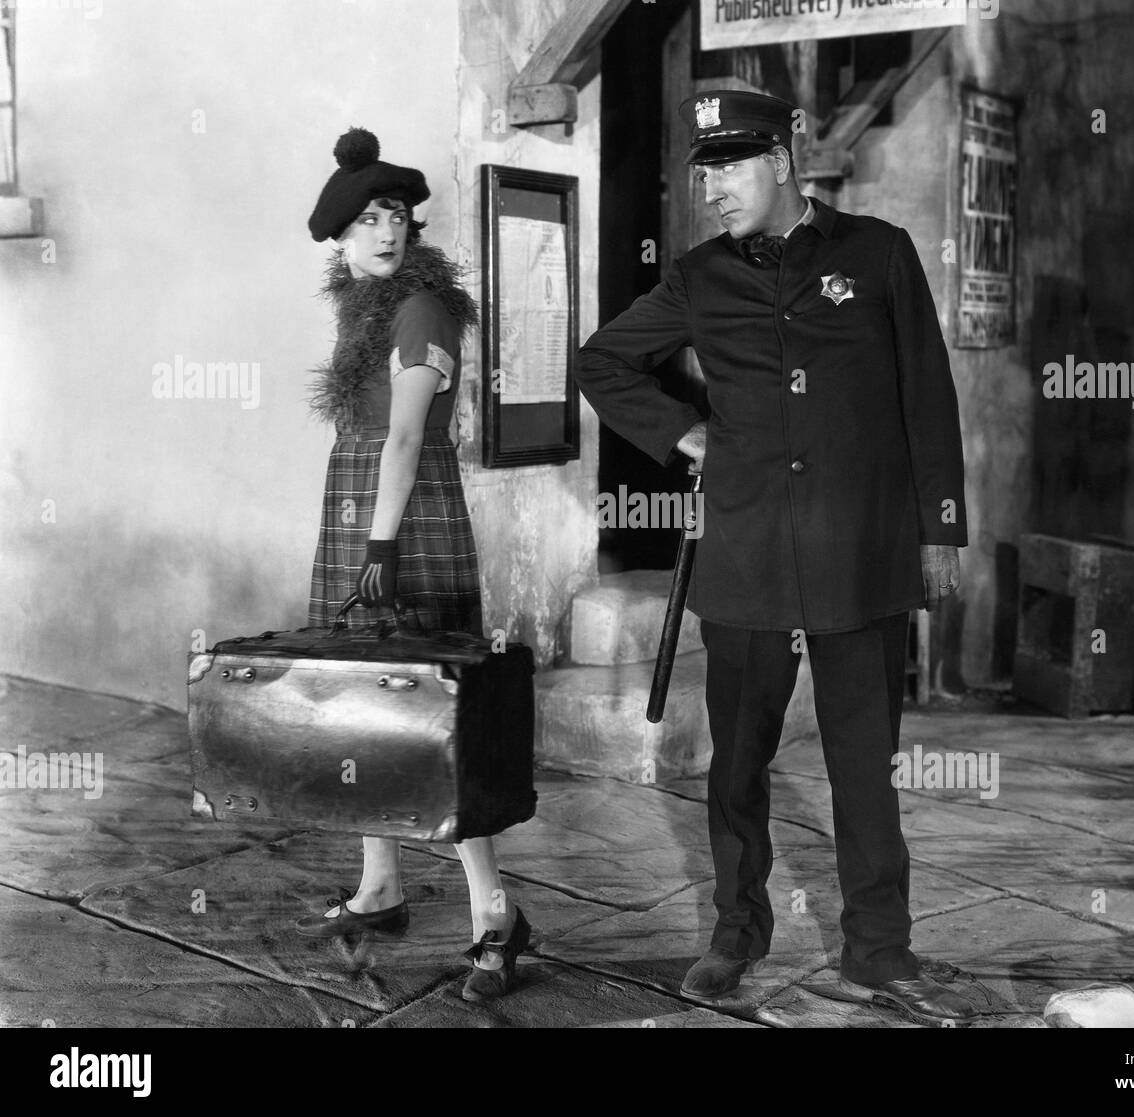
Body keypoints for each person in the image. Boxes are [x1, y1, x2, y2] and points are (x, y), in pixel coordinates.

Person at [575, 91, 976, 1025]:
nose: (713, 188)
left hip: (858, 552)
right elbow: (602, 362)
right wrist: (685, 436)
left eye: (733, 166)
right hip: (747, 552)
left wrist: (941, 529)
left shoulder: (877, 254)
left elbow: (929, 394)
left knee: (863, 766)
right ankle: (735, 932)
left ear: (787, 160)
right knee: (738, 763)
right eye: (704, 171)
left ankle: (880, 949)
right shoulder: (698, 276)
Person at [293, 127, 528, 1003]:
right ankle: (381, 883)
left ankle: (495, 916)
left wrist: (381, 550)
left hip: (407, 514)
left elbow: (403, 437)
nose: (388, 233)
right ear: (342, 239)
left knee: (439, 718)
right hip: (358, 506)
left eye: (397, 216)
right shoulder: (361, 307)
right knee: (361, 705)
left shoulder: (423, 309)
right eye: (370, 219)